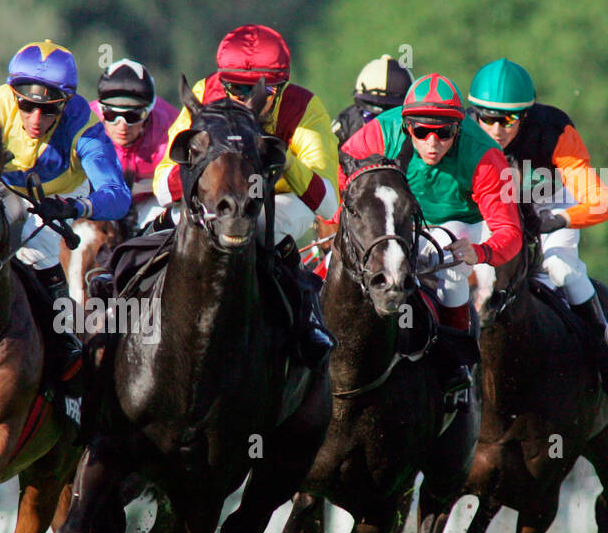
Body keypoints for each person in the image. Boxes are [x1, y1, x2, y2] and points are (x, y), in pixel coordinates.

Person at [151, 24, 337, 368]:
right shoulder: (204, 92)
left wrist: (279, 157)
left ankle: (306, 317)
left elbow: (327, 204)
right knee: (167, 221)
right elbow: (162, 186)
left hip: (279, 198)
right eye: (235, 88)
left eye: (261, 92)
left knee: (259, 221)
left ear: (279, 90)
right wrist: (206, 156)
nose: (246, 100)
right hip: (216, 195)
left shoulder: (304, 108)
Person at [338, 72, 522, 406]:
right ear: (407, 127)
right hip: (398, 215)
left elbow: (510, 234)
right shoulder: (381, 132)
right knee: (338, 257)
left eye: (445, 133)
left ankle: (455, 361)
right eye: (421, 132)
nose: (432, 143)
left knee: (443, 261)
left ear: (459, 127)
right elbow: (344, 165)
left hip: (461, 221)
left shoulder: (486, 156)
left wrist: (479, 251)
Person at [0, 39, 132, 393]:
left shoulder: (86, 127)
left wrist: (75, 209)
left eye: (50, 109)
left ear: (66, 103)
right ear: (13, 95)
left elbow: (117, 196)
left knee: (40, 249)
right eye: (26, 105)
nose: (36, 118)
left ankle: (64, 344)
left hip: (60, 197)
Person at [467, 58, 608, 393]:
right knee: (472, 270)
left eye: (508, 119)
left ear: (525, 115)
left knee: (560, 268)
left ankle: (605, 360)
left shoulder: (554, 129)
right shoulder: (463, 132)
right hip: (495, 208)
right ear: (475, 114)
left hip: (551, 203)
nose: (497, 130)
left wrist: (559, 219)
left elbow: (603, 200)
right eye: (488, 118)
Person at [89, 59, 179, 234]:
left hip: (150, 201)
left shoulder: (171, 126)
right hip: (100, 200)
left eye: (132, 116)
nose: (122, 125)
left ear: (148, 112)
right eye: (111, 114)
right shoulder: (86, 123)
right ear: (101, 110)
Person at [332, 54, 414, 145]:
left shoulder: (421, 132)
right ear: (359, 108)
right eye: (372, 118)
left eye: (392, 120)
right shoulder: (345, 124)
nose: (382, 130)